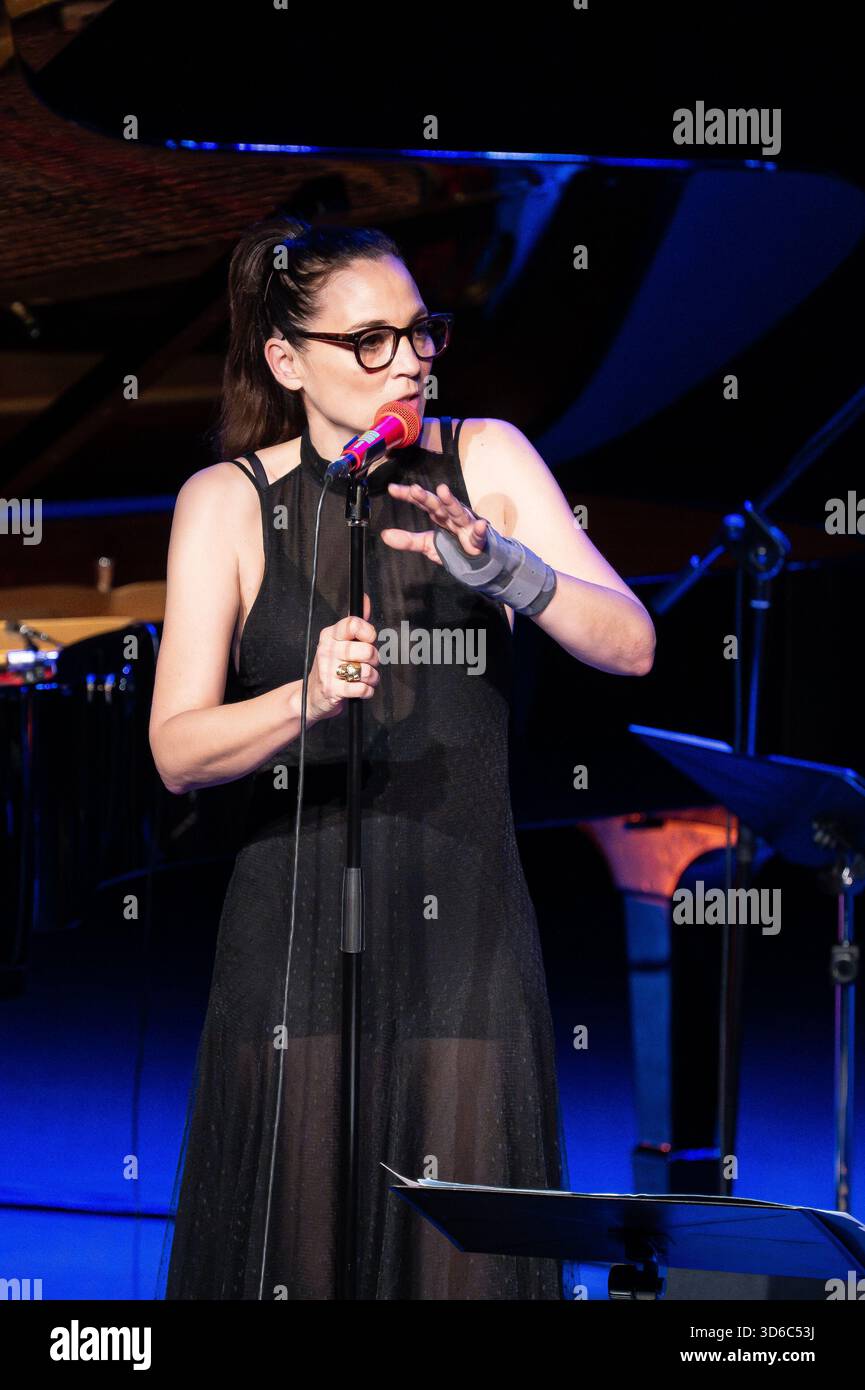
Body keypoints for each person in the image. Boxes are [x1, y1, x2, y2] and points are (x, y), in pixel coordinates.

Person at [149, 216, 655, 1301]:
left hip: (463, 926)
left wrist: (510, 570)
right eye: (370, 341)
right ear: (287, 361)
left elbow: (633, 642)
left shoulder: (486, 455)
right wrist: (304, 696)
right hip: (286, 938)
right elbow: (176, 751)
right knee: (296, 1258)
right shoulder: (227, 502)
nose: (411, 362)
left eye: (420, 333)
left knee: (457, 1269)